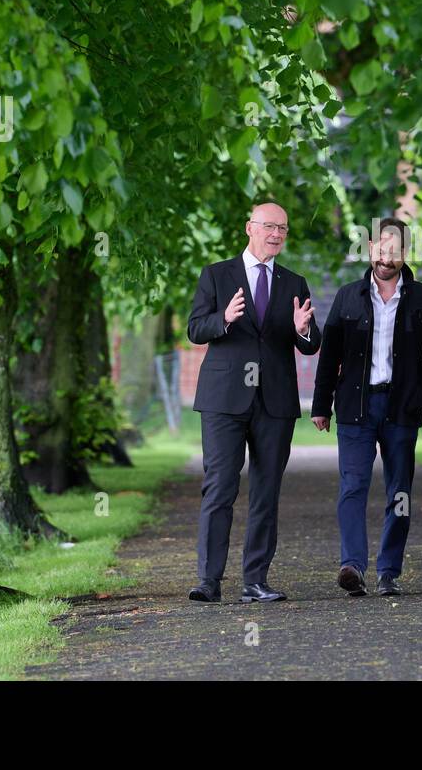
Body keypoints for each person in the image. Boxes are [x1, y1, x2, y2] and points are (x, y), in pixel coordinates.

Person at [185, 201, 321, 604]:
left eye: (283, 228)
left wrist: (305, 330)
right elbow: (195, 328)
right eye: (269, 226)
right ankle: (209, 581)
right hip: (224, 400)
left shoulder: (295, 283)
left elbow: (311, 345)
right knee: (220, 487)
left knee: (266, 492)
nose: (277, 234)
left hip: (274, 401)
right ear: (249, 228)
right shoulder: (216, 274)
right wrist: (224, 318)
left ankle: (255, 581)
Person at [312, 218, 422, 597]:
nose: (386, 258)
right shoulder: (348, 297)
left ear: (405, 253)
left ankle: (388, 571)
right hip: (356, 406)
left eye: (394, 251)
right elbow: (330, 356)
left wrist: (421, 392)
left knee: (400, 493)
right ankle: (352, 566)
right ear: (370, 247)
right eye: (380, 249)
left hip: (401, 408)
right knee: (352, 486)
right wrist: (321, 405)